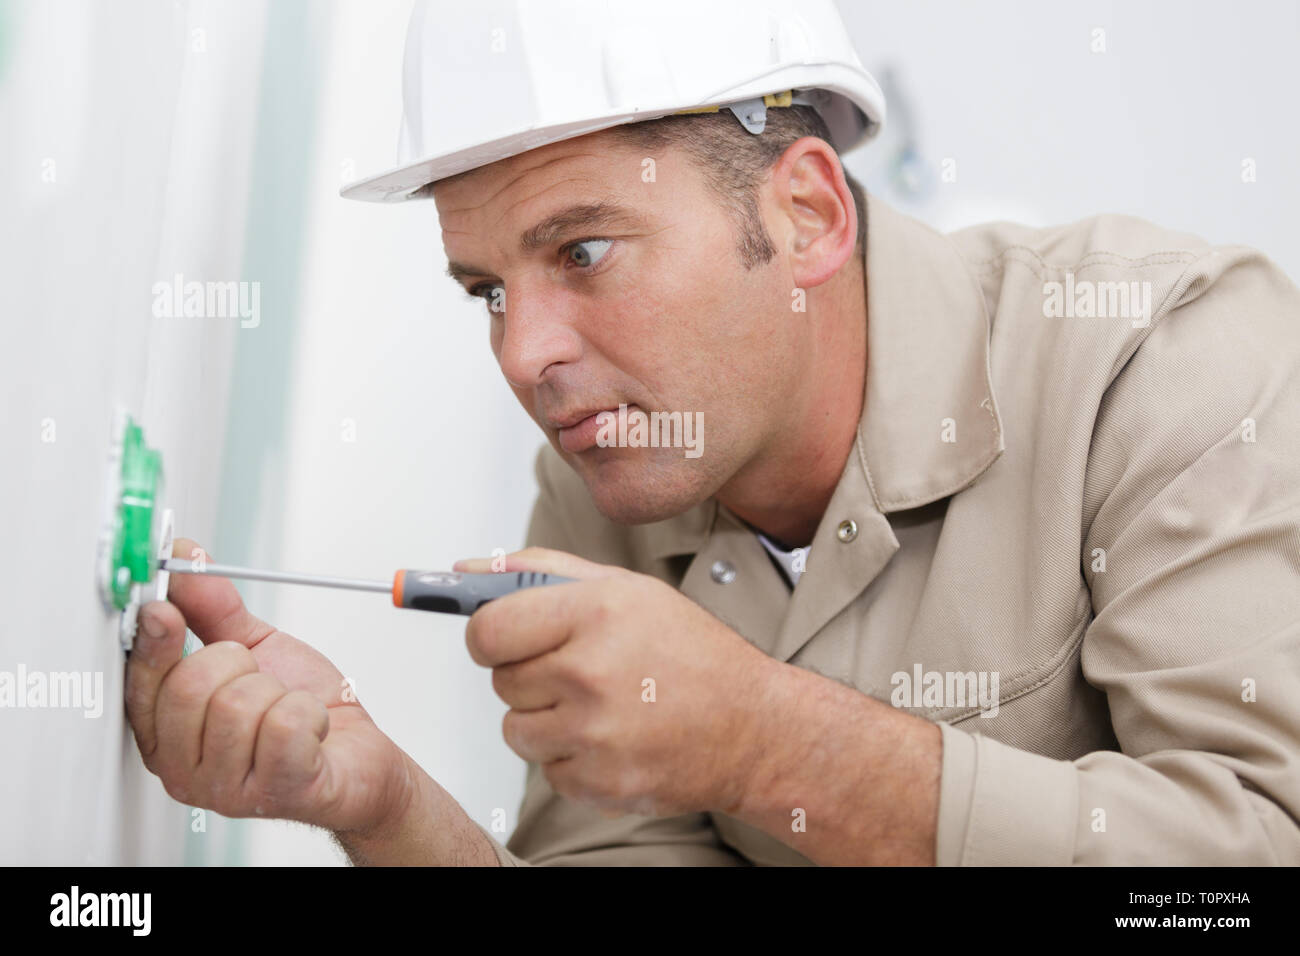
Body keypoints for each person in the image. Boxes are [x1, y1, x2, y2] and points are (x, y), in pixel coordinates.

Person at [124, 0, 1300, 865]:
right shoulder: (605, 478)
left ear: (805, 214)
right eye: (484, 289)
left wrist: (768, 744)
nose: (523, 354)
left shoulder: (1166, 357)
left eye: (582, 252)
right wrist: (379, 805)